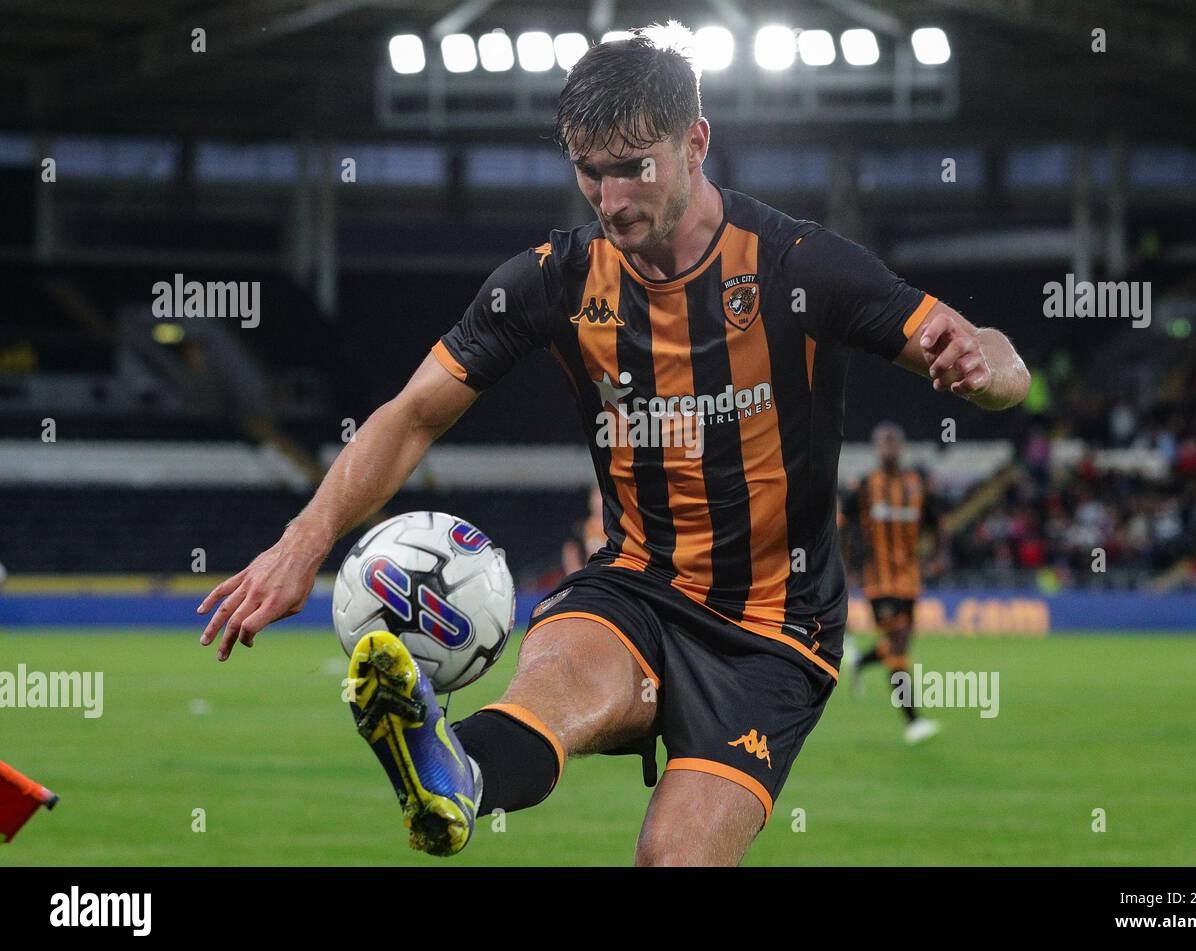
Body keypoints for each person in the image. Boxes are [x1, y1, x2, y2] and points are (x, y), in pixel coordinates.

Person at [197, 24, 1030, 865]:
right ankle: (450, 773)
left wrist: (983, 367)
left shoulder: (801, 268)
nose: (612, 197)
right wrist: (302, 544)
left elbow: (998, 356)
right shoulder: (552, 281)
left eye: (635, 166)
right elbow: (413, 412)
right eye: (590, 172)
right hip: (635, 583)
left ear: (695, 141)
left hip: (775, 629)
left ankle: (462, 770)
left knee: (671, 856)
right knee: (551, 694)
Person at [841, 422, 946, 743]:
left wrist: (939, 556)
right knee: (898, 646)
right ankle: (913, 722)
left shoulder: (917, 485)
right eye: (882, 443)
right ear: (876, 449)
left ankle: (860, 660)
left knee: (899, 646)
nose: (888, 448)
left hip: (910, 579)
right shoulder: (864, 486)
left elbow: (938, 524)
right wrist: (847, 567)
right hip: (879, 581)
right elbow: (844, 527)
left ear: (900, 447)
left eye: (892, 443)